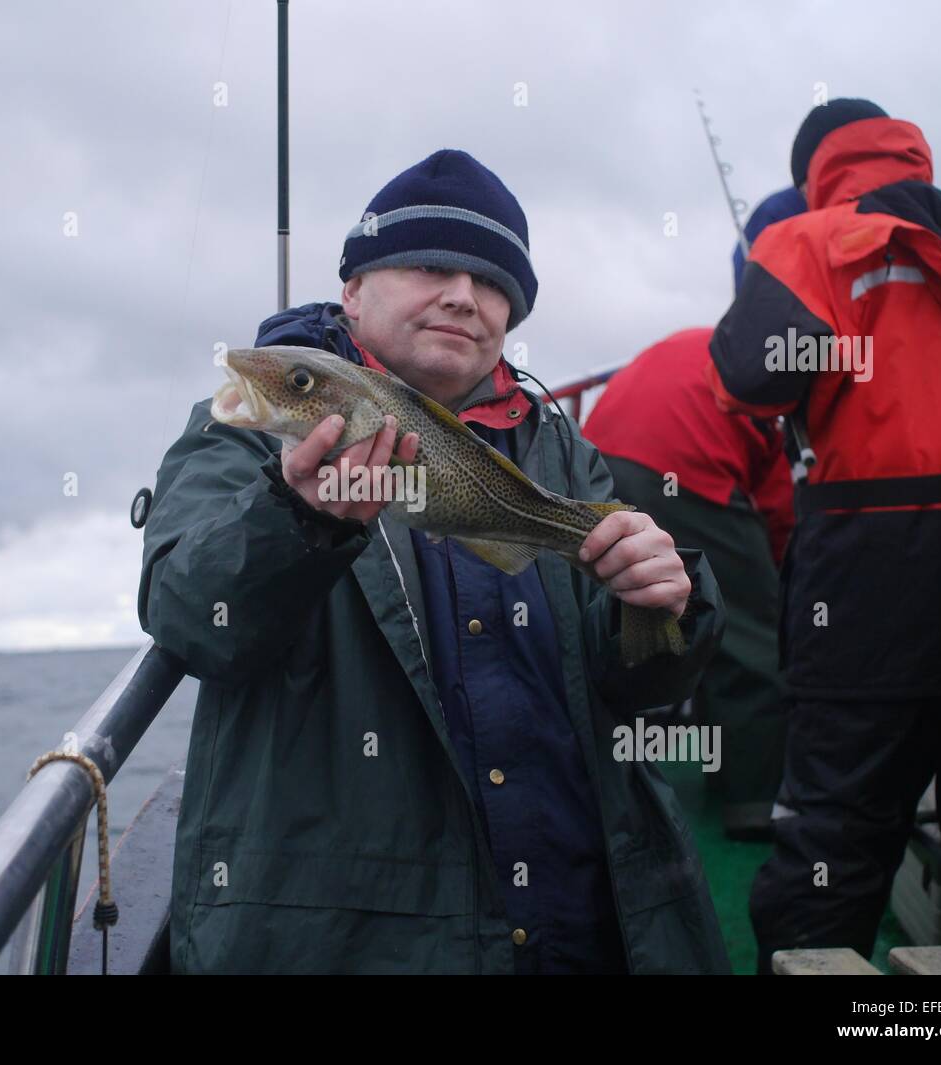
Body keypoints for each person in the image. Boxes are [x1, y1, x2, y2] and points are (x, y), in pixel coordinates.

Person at [138, 148, 729, 974]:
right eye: (427, 265)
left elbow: (635, 683)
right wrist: (295, 518)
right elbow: (189, 616)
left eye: (493, 283)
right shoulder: (242, 429)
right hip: (363, 941)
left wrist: (664, 600)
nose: (463, 294)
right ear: (351, 290)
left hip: (581, 920)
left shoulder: (557, 446)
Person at [706, 99, 941, 973]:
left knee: (836, 812)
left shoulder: (811, 239)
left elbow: (748, 374)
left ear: (816, 168)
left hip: (863, 559)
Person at [584, 320, 794, 840]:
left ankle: (613, 781)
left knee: (638, 603)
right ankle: (755, 802)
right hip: (688, 466)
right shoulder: (776, 378)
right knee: (751, 638)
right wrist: (775, 582)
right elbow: (777, 506)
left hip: (596, 460)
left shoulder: (696, 341)